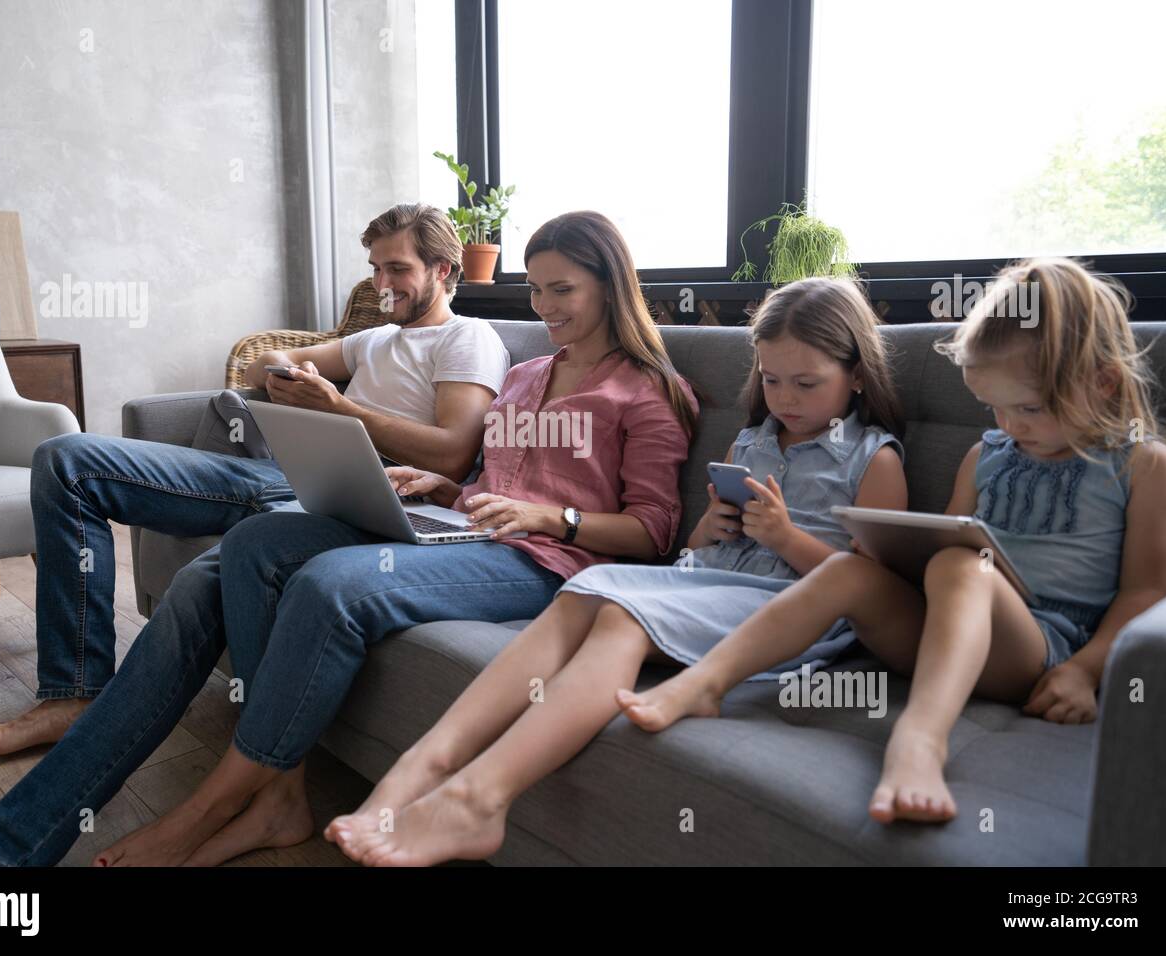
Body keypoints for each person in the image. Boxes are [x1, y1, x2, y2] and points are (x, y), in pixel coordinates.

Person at [0, 209, 698, 867]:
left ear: (609, 284)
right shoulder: (532, 376)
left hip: (550, 564)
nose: (545, 305)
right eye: (535, 288)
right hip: (468, 529)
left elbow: (653, 534)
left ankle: (215, 805)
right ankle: (5, 846)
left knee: (330, 584)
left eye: (561, 289)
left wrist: (550, 517)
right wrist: (445, 487)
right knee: (249, 546)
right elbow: (485, 475)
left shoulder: (648, 391)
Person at [329, 276, 909, 866]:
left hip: (785, 608)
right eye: (771, 379)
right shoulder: (751, 442)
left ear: (857, 374)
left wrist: (785, 537)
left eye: (806, 383)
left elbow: (868, 586)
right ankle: (421, 766)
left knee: (621, 619)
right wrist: (714, 527)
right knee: (582, 591)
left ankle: (478, 797)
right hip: (708, 584)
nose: (785, 397)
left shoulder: (874, 458)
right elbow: (700, 541)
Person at [615, 258, 1166, 826]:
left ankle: (919, 741)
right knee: (851, 573)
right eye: (994, 407)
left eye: (1029, 408)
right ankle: (704, 682)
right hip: (940, 632)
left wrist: (1084, 672)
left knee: (965, 567)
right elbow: (940, 546)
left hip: (1041, 652)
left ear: (1103, 382)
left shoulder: (1144, 465)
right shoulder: (984, 455)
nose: (1009, 425)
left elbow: (1145, 593)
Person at [0, 203, 509, 757]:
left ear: (443, 270)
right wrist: (288, 371)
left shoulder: (467, 339)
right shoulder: (373, 340)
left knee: (181, 550)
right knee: (64, 459)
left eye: (398, 269)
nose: (381, 284)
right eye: (375, 268)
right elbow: (257, 365)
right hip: (274, 472)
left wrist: (340, 408)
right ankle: (74, 693)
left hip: (346, 498)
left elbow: (455, 455)